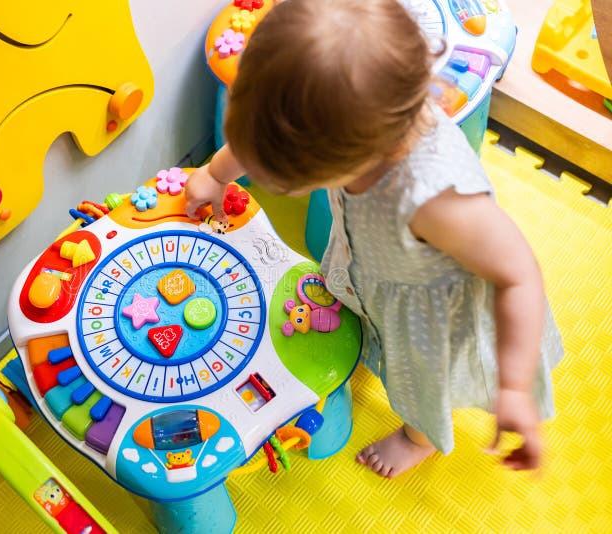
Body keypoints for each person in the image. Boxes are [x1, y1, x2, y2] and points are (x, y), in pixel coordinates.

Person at [184, 0, 563, 478]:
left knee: (421, 385)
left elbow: (519, 275)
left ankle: (418, 437)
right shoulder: (350, 122)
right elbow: (265, 130)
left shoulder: (437, 202)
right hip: (375, 265)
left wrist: (512, 385)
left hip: (433, 314)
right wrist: (216, 175)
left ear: (345, 158)